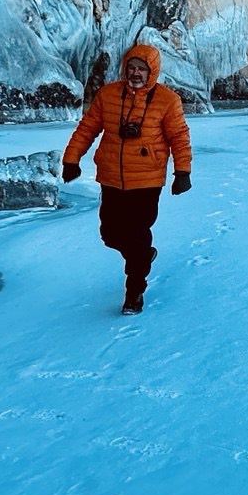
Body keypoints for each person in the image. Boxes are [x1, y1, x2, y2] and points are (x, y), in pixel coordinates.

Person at [62, 42, 192, 315]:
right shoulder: (108, 95)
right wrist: (71, 159)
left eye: (141, 69)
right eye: (131, 67)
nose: (135, 73)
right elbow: (87, 128)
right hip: (111, 177)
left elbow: (179, 138)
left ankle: (135, 291)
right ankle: (143, 257)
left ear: (152, 71)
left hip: (147, 181)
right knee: (109, 234)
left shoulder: (168, 100)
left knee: (136, 233)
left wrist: (182, 172)